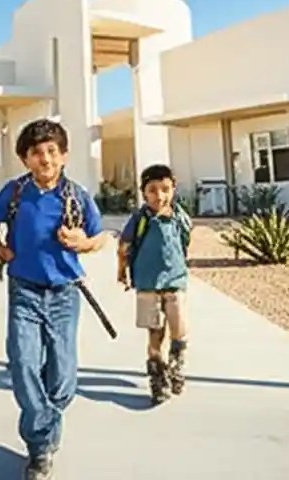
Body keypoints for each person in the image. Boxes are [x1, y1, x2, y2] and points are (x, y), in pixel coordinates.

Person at [0, 118, 106, 480]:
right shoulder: (16, 191)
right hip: (24, 291)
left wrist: (82, 243)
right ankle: (40, 449)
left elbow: (100, 237)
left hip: (66, 295)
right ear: (25, 159)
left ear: (64, 156)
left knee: (63, 378)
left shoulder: (77, 195)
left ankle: (46, 422)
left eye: (52, 151)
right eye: (37, 153)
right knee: (22, 364)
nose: (45, 159)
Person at [116, 163, 193, 405]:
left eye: (165, 189)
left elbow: (184, 243)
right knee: (155, 331)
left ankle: (176, 363)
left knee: (178, 323)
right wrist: (122, 271)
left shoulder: (180, 217)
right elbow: (124, 246)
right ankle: (157, 376)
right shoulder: (140, 219)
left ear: (173, 189)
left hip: (175, 280)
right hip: (147, 283)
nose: (159, 195)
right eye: (153, 190)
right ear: (143, 192)